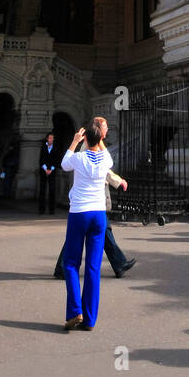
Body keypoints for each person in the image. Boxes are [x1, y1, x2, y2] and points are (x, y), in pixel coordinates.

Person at [54, 118, 136, 278]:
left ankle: (118, 263)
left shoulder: (96, 148)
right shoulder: (88, 148)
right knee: (92, 234)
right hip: (92, 201)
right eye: (104, 127)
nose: (107, 130)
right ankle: (65, 267)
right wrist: (118, 181)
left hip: (89, 203)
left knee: (91, 232)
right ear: (97, 130)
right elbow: (104, 167)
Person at [60, 119, 114, 330]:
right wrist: (99, 139)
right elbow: (105, 153)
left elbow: (64, 164)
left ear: (85, 139)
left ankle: (75, 311)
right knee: (93, 266)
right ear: (100, 139)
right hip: (98, 214)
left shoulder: (79, 158)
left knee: (71, 263)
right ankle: (90, 319)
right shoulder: (106, 158)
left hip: (79, 212)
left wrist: (74, 142)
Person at [38, 131, 58, 214]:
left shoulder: (56, 148)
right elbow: (41, 160)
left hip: (52, 171)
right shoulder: (43, 147)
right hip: (44, 171)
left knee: (52, 190)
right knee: (42, 190)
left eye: (52, 138)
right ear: (47, 139)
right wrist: (46, 169)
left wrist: (51, 170)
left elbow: (56, 160)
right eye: (50, 138)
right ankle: (41, 209)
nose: (51, 140)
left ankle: (51, 210)